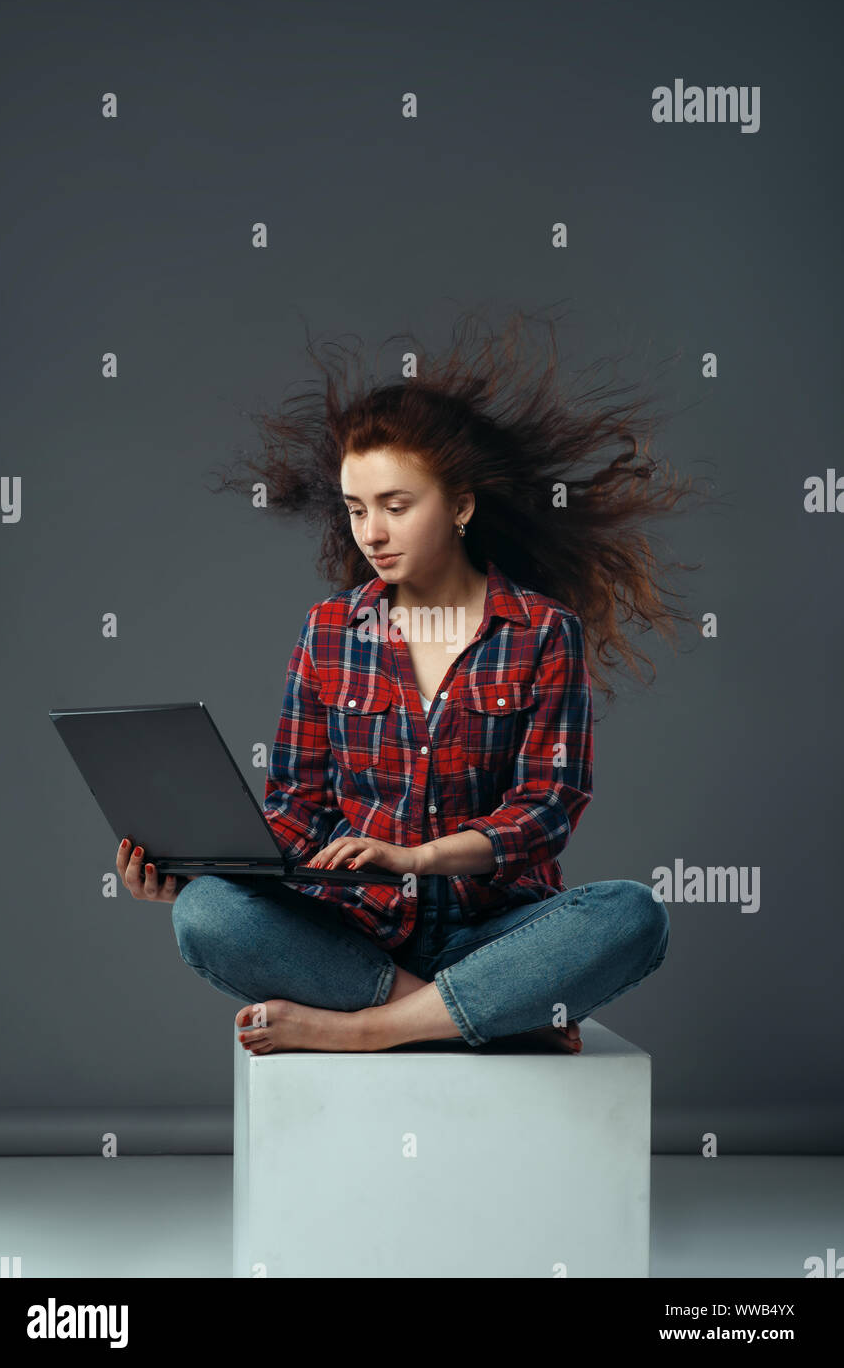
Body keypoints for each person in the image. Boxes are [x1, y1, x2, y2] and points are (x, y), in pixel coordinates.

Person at [119, 310, 712, 1055]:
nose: (371, 532)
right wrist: (204, 863)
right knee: (206, 915)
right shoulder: (329, 630)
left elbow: (546, 811)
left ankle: (368, 1031)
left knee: (632, 917)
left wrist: (417, 856)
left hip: (493, 932)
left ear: (459, 505)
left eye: (396, 507)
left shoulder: (541, 632)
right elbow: (298, 808)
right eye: (357, 509)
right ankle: (474, 1016)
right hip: (356, 938)